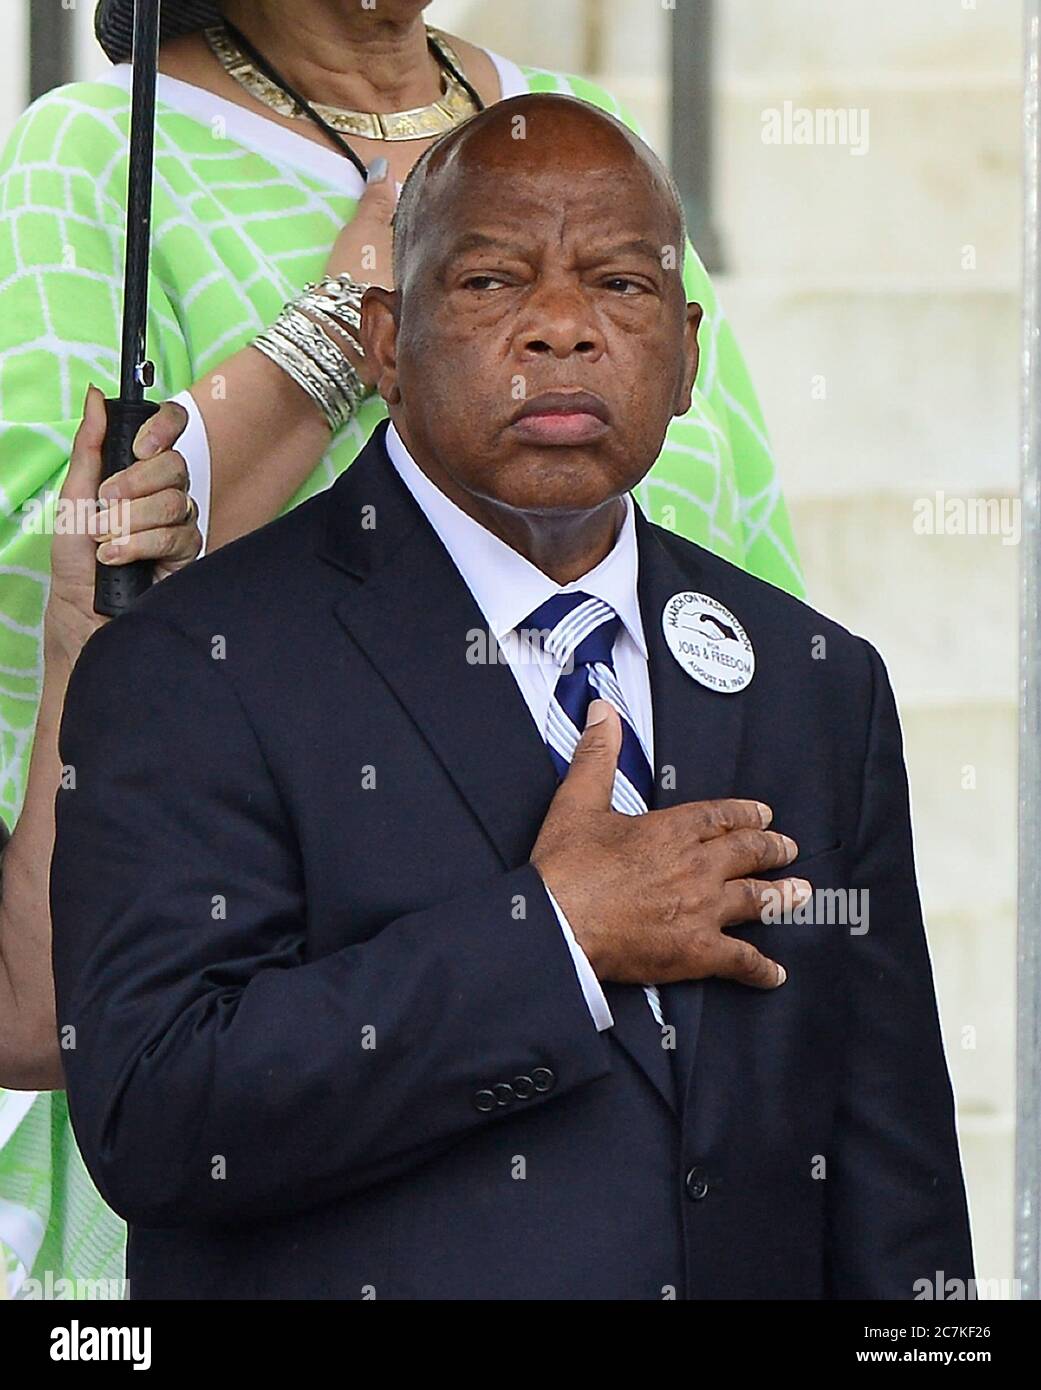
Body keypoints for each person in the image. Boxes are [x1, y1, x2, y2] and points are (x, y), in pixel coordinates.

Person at [51, 94, 973, 1300]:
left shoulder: (817, 680)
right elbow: (158, 1111)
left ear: (689, 353)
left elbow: (891, 1181)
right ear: (383, 345)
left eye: (620, 287)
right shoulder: (192, 663)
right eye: (490, 282)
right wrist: (558, 939)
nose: (561, 329)